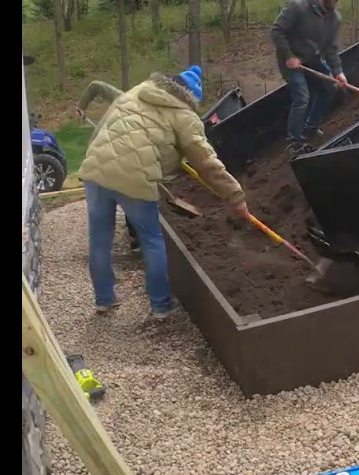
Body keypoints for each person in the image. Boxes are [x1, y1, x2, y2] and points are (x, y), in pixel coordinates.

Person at [76, 65, 250, 319]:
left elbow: (103, 126)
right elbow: (206, 162)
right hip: (135, 177)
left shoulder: (137, 92)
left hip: (95, 171)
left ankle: (104, 299)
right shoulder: (185, 116)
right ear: (190, 96)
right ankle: (161, 306)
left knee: (100, 241)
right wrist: (236, 196)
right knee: (152, 241)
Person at [270, 0, 350, 155]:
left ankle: (311, 127)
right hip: (291, 61)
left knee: (329, 87)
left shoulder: (334, 18)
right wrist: (289, 55)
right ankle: (294, 141)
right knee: (302, 97)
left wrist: (338, 72)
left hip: (312, 59)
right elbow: (277, 31)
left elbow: (331, 49)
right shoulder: (297, 6)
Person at [75, 79, 141, 254]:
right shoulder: (128, 101)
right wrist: (81, 106)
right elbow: (96, 85)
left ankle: (132, 238)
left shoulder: (126, 99)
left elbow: (96, 86)